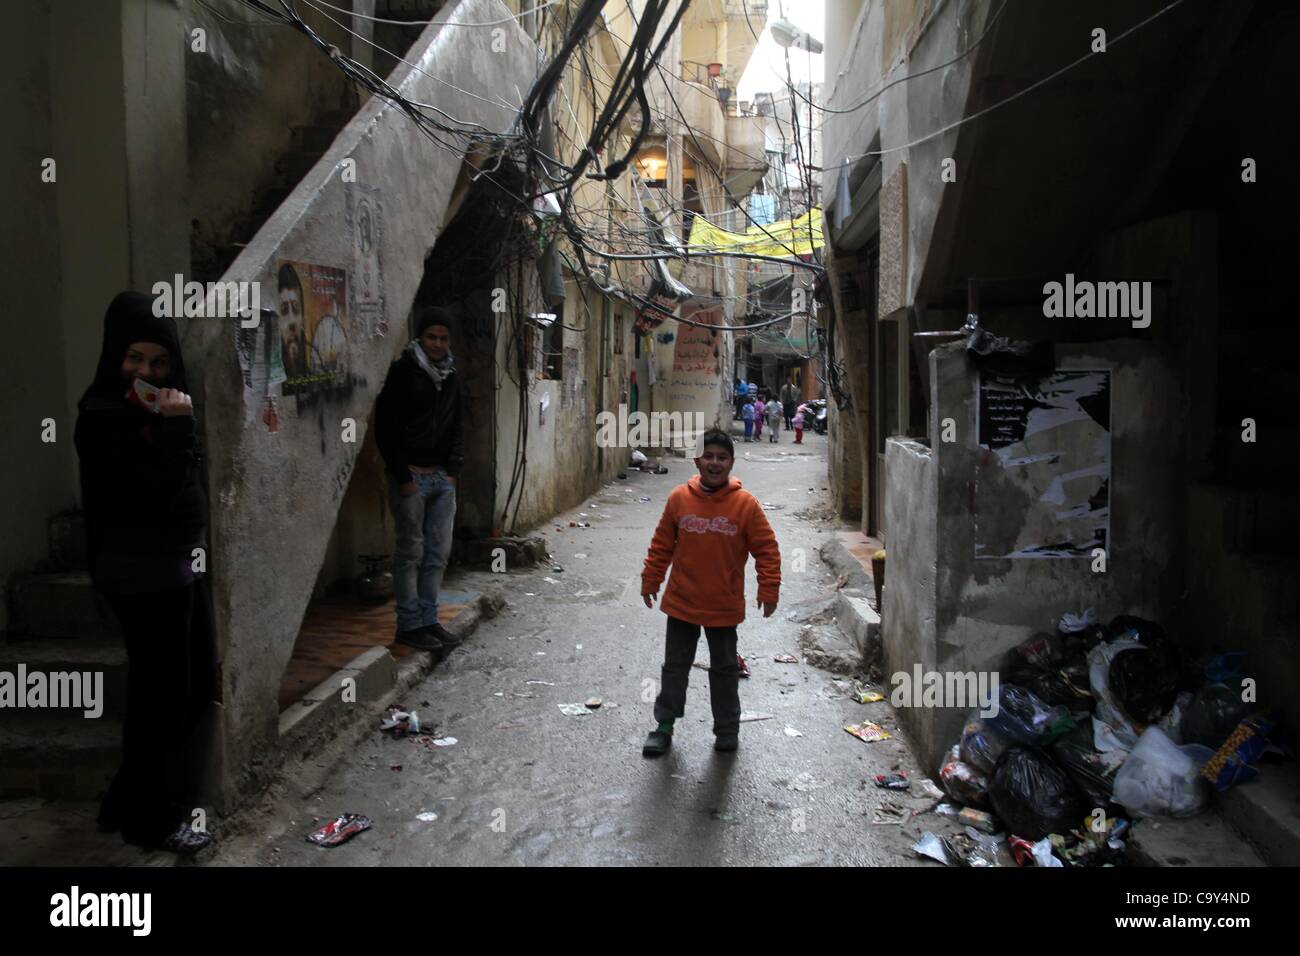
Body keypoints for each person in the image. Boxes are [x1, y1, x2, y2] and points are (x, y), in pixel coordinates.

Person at [75, 291, 215, 855]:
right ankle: (157, 821)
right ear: (115, 355)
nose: (146, 373)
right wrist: (178, 431)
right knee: (170, 700)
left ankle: (126, 803)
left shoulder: (150, 412)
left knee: (167, 691)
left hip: (171, 569)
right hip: (144, 573)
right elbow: (150, 495)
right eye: (134, 359)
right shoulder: (105, 415)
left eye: (158, 363)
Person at [639, 428, 781, 756]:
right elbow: (661, 545)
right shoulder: (679, 499)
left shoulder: (746, 505)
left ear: (732, 462)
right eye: (708, 457)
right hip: (682, 604)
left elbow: (767, 549)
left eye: (722, 457)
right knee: (674, 668)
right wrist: (651, 581)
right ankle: (664, 726)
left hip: (723, 607)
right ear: (697, 460)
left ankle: (727, 731)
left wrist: (769, 588)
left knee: (725, 670)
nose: (714, 463)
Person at [375, 306, 466, 657]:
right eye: (432, 337)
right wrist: (403, 476)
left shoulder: (452, 375)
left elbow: (458, 425)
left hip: (442, 479)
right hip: (410, 477)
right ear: (420, 337)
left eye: (443, 338)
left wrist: (453, 470)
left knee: (436, 553)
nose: (438, 344)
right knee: (409, 551)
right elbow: (386, 428)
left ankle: (429, 621)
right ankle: (409, 625)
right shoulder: (402, 373)